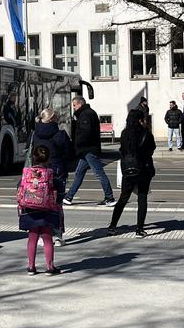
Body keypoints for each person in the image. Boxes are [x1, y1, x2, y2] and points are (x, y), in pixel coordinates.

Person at [106, 109, 157, 237]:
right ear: (140, 120)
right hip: (143, 169)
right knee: (142, 197)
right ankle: (139, 229)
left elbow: (122, 150)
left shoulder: (125, 133)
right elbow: (152, 149)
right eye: (143, 119)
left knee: (123, 198)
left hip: (128, 169)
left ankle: (112, 226)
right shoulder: (146, 134)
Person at [32, 107, 73, 245]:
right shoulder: (60, 134)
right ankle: (57, 235)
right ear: (52, 119)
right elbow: (69, 153)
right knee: (56, 204)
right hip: (57, 172)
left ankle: (42, 235)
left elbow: (31, 152)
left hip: (39, 173)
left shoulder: (35, 134)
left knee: (41, 203)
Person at [19, 145, 63, 275]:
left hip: (30, 209)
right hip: (47, 210)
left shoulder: (27, 173)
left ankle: (31, 267)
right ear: (48, 158)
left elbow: (19, 188)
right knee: (47, 238)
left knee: (32, 238)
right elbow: (59, 191)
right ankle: (50, 267)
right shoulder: (51, 174)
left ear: (33, 157)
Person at [63, 97, 114, 206]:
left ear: (80, 104)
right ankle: (69, 197)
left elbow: (85, 133)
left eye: (74, 105)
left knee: (99, 173)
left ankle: (109, 198)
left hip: (88, 149)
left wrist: (76, 144)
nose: (73, 108)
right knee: (79, 173)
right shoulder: (88, 113)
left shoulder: (85, 115)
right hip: (87, 149)